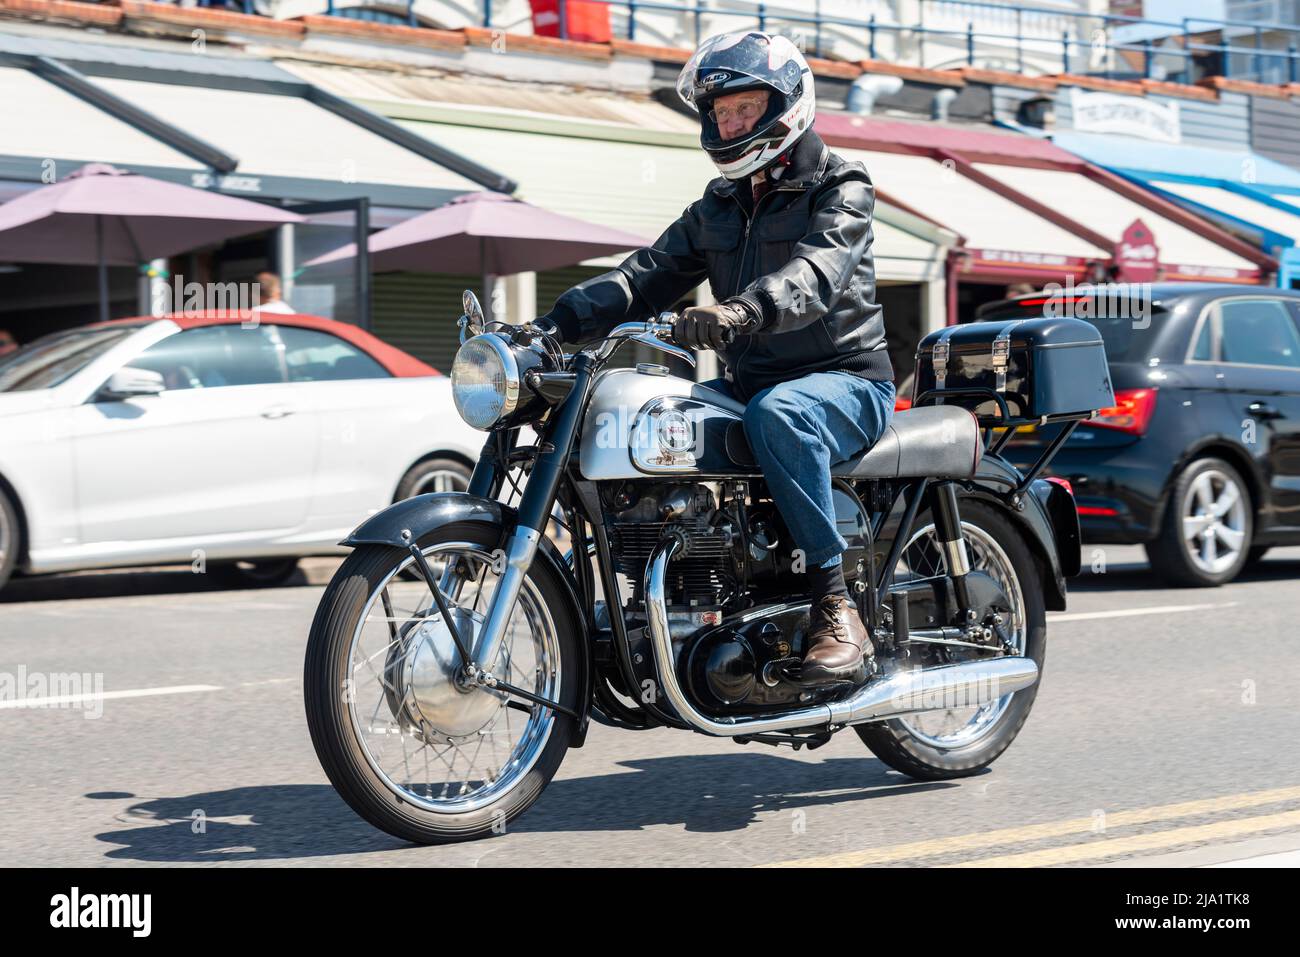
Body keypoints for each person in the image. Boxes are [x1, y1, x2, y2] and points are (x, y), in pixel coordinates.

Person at [536, 30, 895, 685]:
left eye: (744, 108)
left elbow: (816, 275)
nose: (729, 122)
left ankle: (836, 605)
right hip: (751, 385)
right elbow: (644, 274)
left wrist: (741, 311)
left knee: (780, 414)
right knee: (636, 417)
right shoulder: (719, 205)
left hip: (845, 383)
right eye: (720, 113)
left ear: (786, 103)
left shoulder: (840, 183)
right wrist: (551, 326)